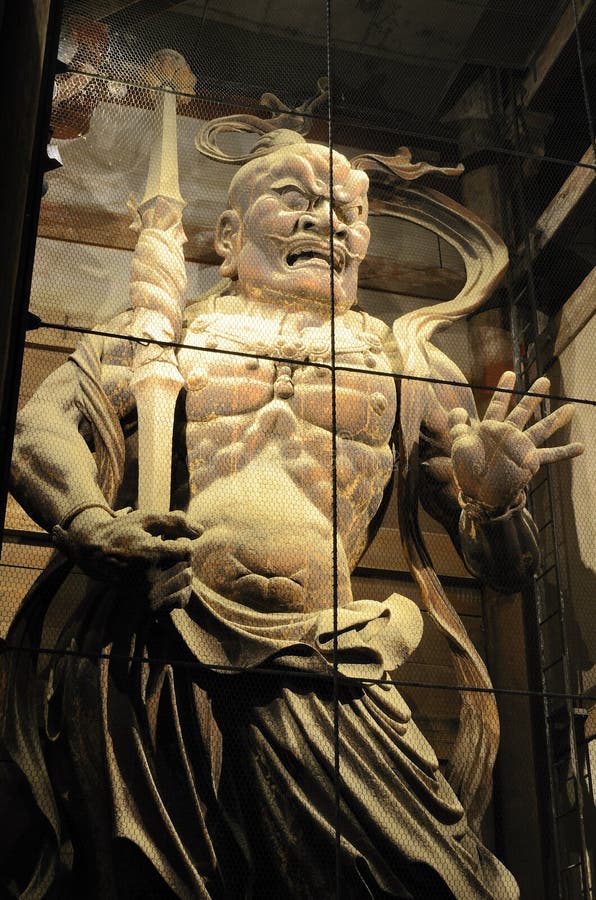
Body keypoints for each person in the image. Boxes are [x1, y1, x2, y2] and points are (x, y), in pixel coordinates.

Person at [2, 133, 582, 899]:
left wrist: (498, 501)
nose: (327, 221)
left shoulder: (406, 366)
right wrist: (87, 521)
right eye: (297, 199)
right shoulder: (162, 326)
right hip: (168, 642)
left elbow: (504, 569)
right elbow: (39, 430)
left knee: (451, 883)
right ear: (233, 236)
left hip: (332, 659)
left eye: (346, 211)